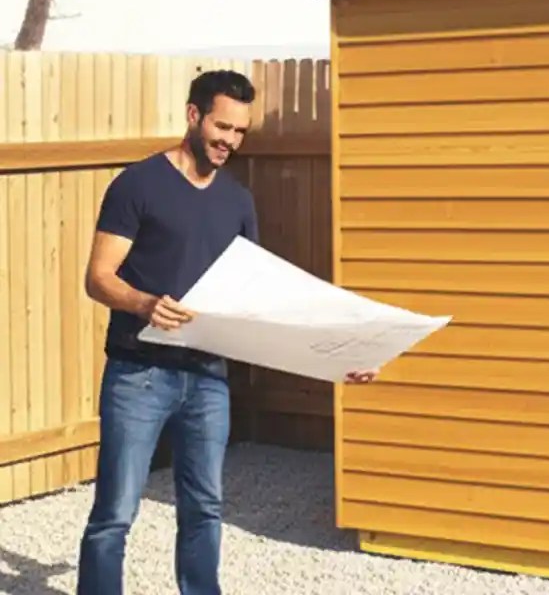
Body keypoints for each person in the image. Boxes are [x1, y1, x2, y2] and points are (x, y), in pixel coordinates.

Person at [75, 70, 374, 595]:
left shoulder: (237, 202)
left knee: (204, 509)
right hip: (138, 374)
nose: (230, 141)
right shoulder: (137, 185)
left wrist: (336, 357)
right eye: (222, 127)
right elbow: (98, 277)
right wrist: (144, 304)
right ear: (194, 116)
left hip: (208, 378)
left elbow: (260, 301)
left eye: (240, 132)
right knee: (115, 514)